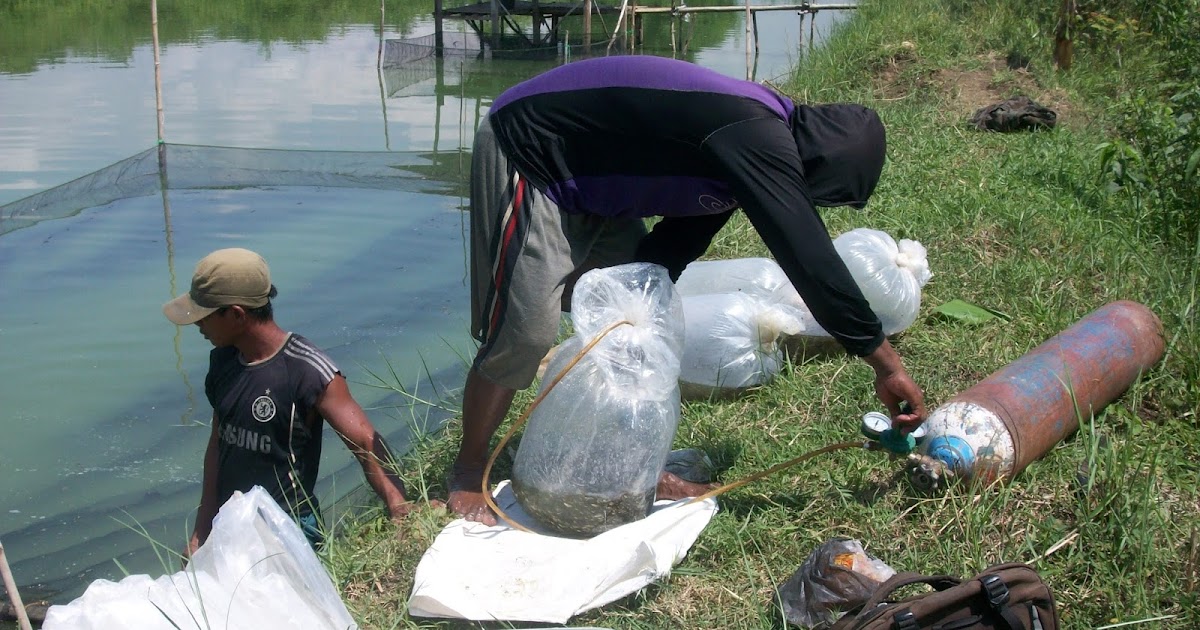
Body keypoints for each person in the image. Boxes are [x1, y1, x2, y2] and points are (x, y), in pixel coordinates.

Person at [450, 55, 928, 525]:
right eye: (820, 192)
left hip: (595, 174)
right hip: (531, 147)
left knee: (641, 319)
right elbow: (809, 258)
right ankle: (468, 474)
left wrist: (640, 304)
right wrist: (885, 364)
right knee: (527, 331)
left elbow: (677, 242)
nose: (809, 200)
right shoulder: (754, 134)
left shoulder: (745, 149)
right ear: (820, 162)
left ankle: (639, 470)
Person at [163, 247, 413, 556]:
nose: (197, 325)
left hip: (289, 528)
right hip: (230, 523)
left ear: (237, 315)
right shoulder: (223, 362)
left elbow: (364, 442)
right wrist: (202, 530)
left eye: (205, 317)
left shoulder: (307, 371)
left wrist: (399, 505)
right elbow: (218, 445)